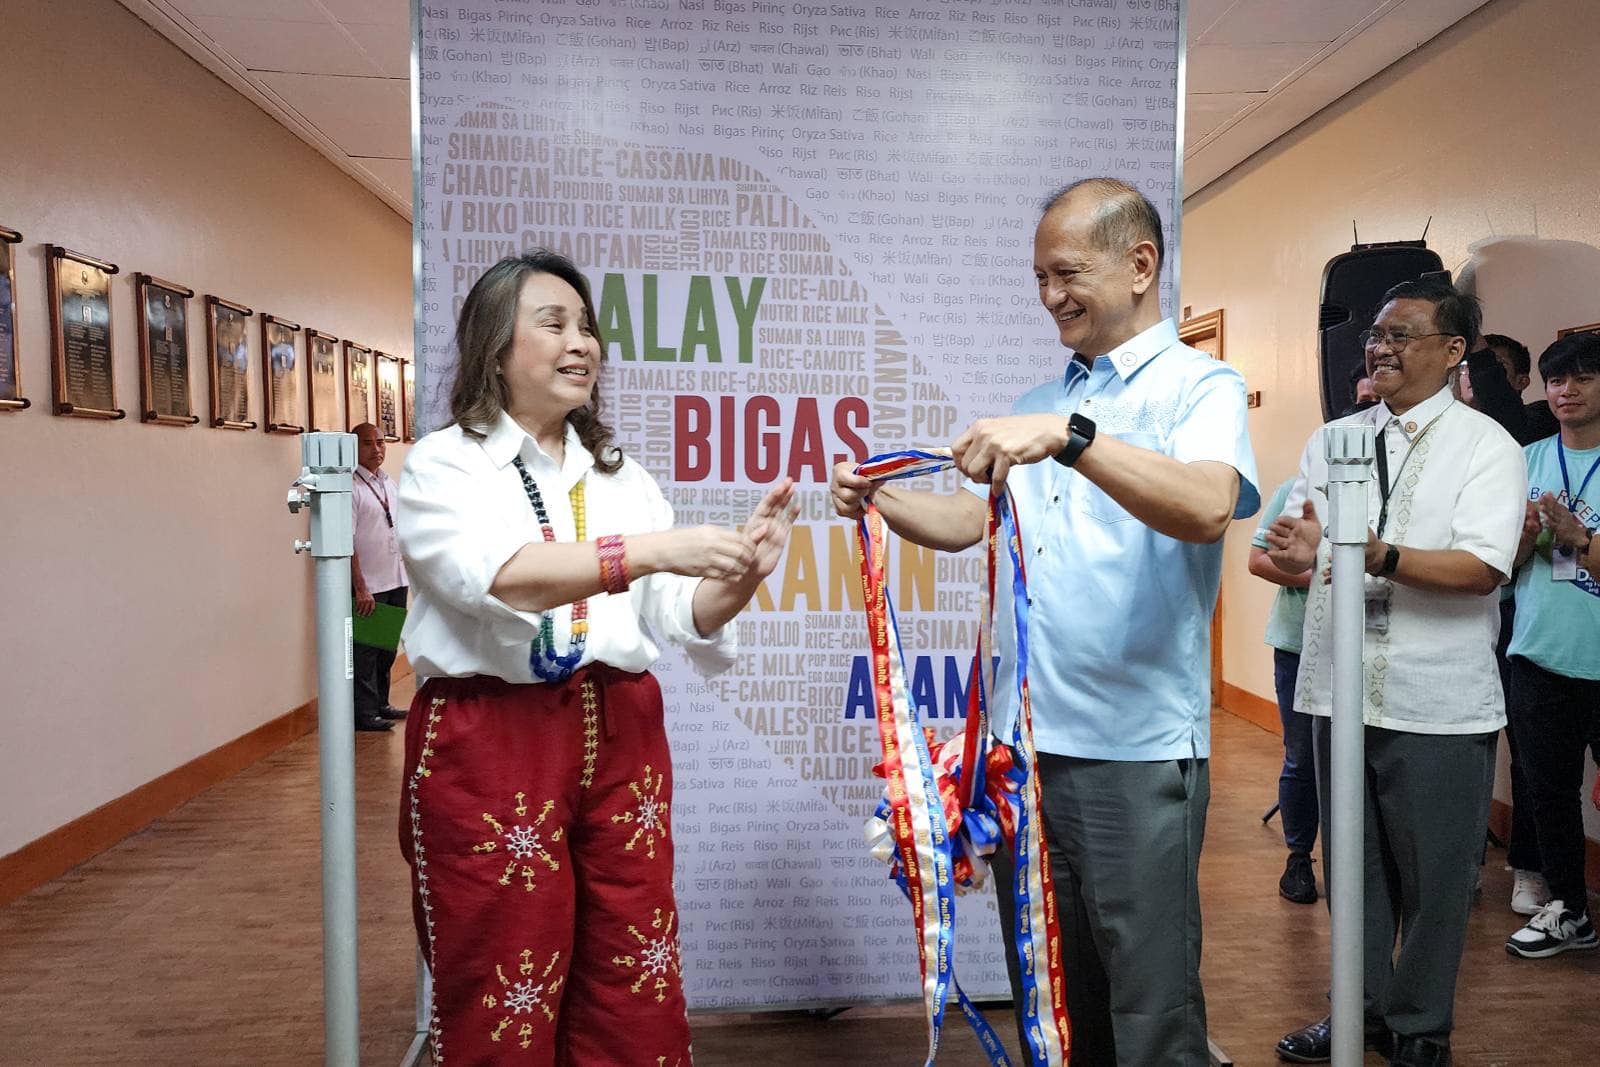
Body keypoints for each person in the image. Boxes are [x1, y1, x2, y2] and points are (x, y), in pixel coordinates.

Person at [831, 177, 1259, 1065]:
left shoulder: (1201, 386)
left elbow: (1208, 505)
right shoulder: (1041, 399)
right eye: (1038, 278)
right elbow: (972, 522)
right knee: (1054, 999)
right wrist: (879, 500)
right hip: (1023, 752)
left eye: (1066, 273)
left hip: (1136, 747)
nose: (1050, 295)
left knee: (1152, 1008)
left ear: (1140, 265)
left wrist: (1073, 437)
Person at [394, 250, 797, 1064]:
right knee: (504, 972)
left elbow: (680, 612)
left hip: (619, 728)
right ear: (494, 347)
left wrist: (743, 575)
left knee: (633, 963)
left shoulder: (619, 475)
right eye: (555, 324)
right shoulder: (446, 463)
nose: (582, 343)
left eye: (587, 327)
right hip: (492, 736)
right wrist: (645, 551)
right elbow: (496, 576)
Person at [1267, 278, 1525, 1067]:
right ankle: (1360, 1011)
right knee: (1353, 871)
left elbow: (1483, 567)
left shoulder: (1487, 446)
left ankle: (1421, 1027)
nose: (1379, 348)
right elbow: (1305, 550)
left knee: (1435, 881)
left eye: (1400, 335)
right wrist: (1299, 554)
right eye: (1375, 335)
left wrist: (1379, 555)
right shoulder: (1334, 439)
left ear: (1453, 351)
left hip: (1435, 698)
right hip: (1336, 690)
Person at [1502, 331, 1600, 959]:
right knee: (1548, 793)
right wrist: (1523, 540)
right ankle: (1569, 909)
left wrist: (1579, 538)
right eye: (1557, 380)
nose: (1567, 391)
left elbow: (1578, 545)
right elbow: (1499, 566)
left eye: (1583, 378)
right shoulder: (1525, 460)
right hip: (1539, 653)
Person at [1455, 331, 1551, 913]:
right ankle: (1462, 861)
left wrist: (1473, 345)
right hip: (1463, 613)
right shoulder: (1449, 436)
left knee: (1528, 752)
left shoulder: (1531, 427)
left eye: (1485, 372)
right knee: (1466, 745)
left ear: (1518, 381)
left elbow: (1504, 412)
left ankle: (1530, 868)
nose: (1469, 384)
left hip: (1520, 614)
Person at [1248, 477, 1319, 904]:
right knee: (1301, 757)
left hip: (1372, 645)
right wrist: (1325, 580)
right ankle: (1298, 858)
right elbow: (1258, 560)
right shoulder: (1296, 489)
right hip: (1299, 645)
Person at [351, 422, 407, 732]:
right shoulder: (351, 487)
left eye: (381, 442)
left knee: (387, 649)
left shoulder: (388, 483)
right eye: (367, 443)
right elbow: (347, 543)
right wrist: (360, 587)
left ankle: (382, 703)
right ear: (354, 447)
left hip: (395, 578)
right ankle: (364, 712)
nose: (377, 449)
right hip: (369, 585)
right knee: (366, 652)